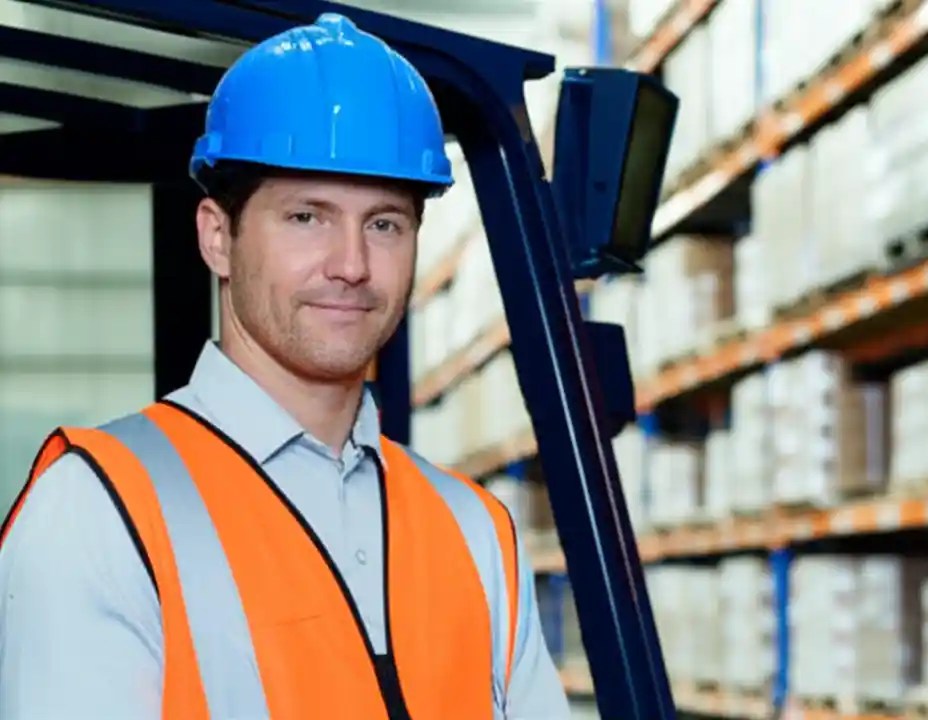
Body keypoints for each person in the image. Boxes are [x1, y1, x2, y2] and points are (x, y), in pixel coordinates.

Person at [0, 13, 571, 720]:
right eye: (307, 217)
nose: (352, 266)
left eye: (384, 223)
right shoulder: (96, 511)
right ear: (217, 237)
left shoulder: (475, 529)